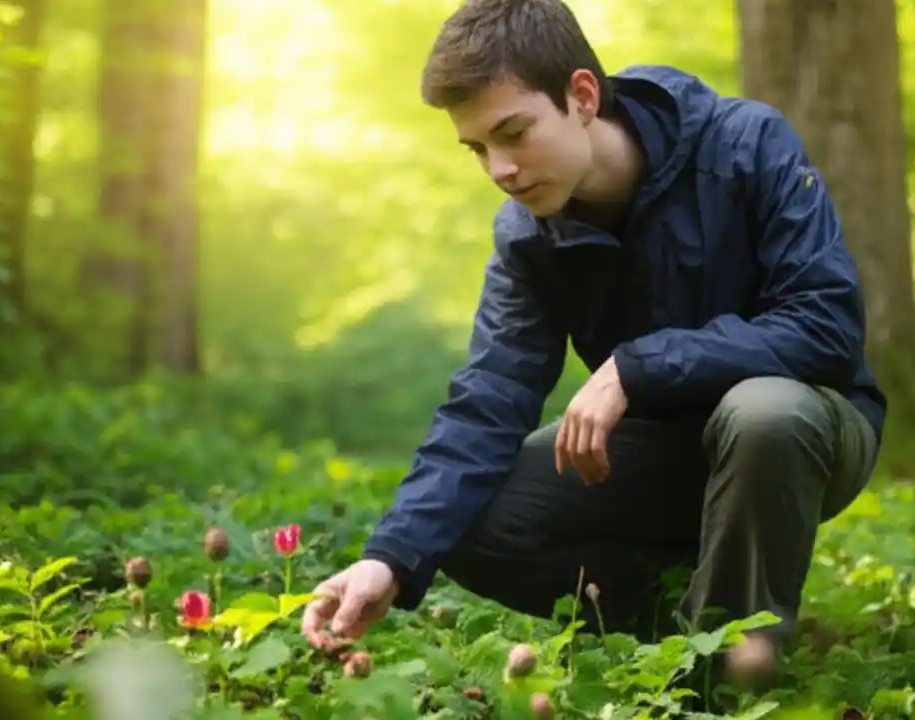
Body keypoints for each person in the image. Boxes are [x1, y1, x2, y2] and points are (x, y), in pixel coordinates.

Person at [301, 0, 885, 670]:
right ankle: (683, 630)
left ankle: (733, 673)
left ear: (582, 95)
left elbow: (826, 326)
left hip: (804, 431)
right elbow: (489, 400)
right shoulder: (528, 235)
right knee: (457, 522)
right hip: (661, 451)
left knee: (763, 414)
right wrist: (390, 560)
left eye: (513, 133)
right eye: (478, 148)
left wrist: (637, 367)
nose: (500, 170)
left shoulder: (746, 143)